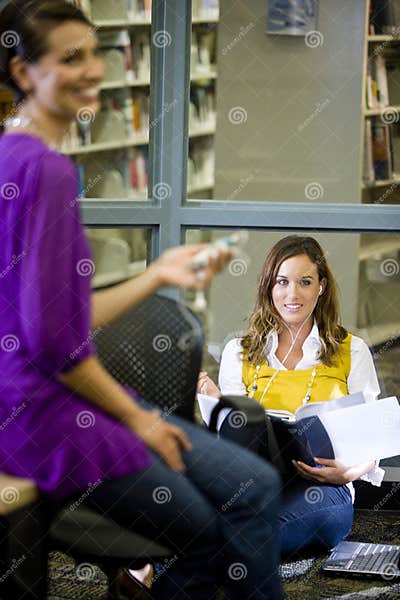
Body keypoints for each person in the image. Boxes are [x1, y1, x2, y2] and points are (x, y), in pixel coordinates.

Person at [0, 2, 282, 598]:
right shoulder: (47, 171)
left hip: (32, 398)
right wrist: (141, 419)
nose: (93, 70)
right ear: (24, 74)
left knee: (247, 491)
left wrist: (157, 275)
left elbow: (56, 319)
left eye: (95, 53)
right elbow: (54, 341)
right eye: (68, 58)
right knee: (224, 522)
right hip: (47, 413)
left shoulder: (12, 156)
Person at [198, 235, 385, 556]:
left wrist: (349, 473)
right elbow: (233, 444)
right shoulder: (239, 352)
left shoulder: (352, 351)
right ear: (269, 286)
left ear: (321, 286)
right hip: (254, 482)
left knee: (258, 527)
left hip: (325, 487)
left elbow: (371, 441)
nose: (292, 294)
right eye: (282, 281)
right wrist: (219, 407)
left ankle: (162, 570)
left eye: (305, 281)